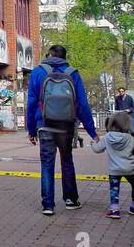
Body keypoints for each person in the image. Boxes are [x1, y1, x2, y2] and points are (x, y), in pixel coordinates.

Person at [26, 44, 97, 215]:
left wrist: (31, 130)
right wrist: (92, 132)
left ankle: (48, 205)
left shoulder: (38, 72)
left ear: (49, 55)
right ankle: (71, 200)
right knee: (67, 161)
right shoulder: (73, 73)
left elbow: (31, 103)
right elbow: (82, 104)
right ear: (64, 57)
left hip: (44, 125)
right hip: (66, 126)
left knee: (47, 164)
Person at [93, 112, 134, 219]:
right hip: (130, 168)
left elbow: (97, 149)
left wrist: (94, 143)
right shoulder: (130, 138)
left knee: (114, 189)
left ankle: (114, 209)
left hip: (114, 170)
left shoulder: (107, 137)